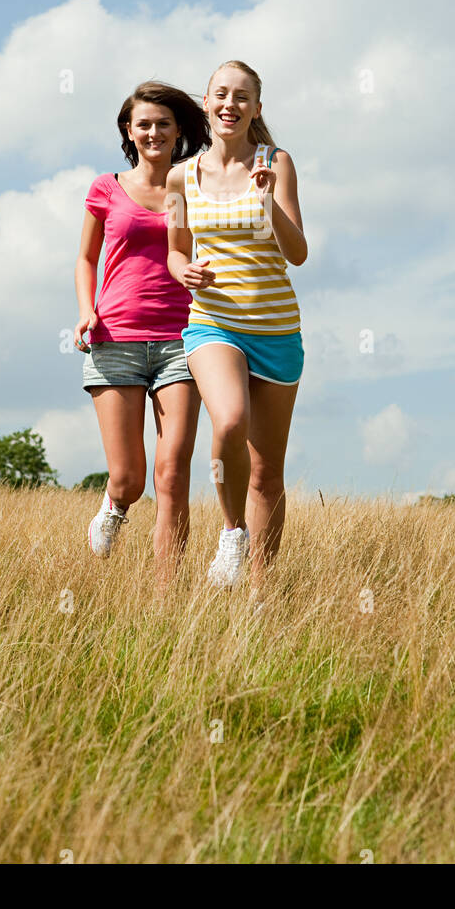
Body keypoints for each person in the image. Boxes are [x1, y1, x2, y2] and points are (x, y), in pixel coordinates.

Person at [166, 60, 307, 592]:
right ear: (205, 103)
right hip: (213, 325)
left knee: (268, 472)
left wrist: (268, 200)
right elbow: (176, 254)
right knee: (228, 422)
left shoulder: (277, 162)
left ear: (257, 109)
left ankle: (260, 595)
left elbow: (298, 254)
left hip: (276, 332)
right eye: (221, 94)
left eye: (242, 97)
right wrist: (187, 273)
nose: (230, 104)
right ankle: (232, 532)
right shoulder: (182, 177)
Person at [74, 81, 209, 588]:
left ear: (179, 133)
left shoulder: (191, 188)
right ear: (129, 132)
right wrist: (86, 311)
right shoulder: (105, 188)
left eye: (164, 124)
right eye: (144, 124)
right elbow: (86, 259)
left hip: (184, 340)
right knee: (130, 478)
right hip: (116, 340)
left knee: (173, 472)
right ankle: (114, 505)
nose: (154, 132)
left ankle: (166, 591)